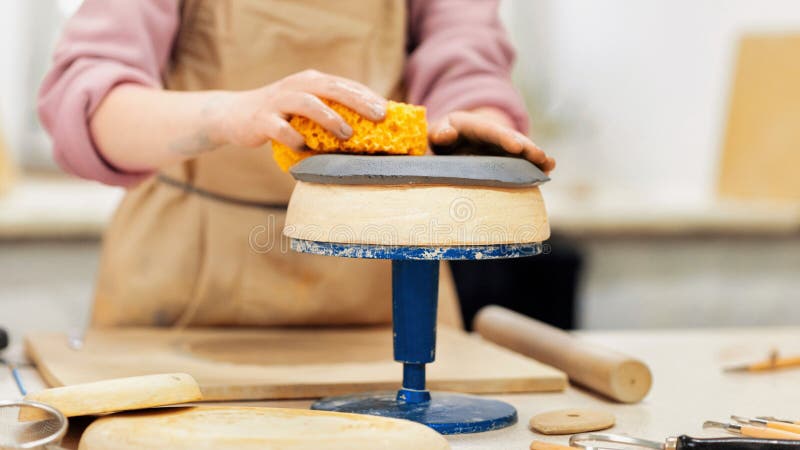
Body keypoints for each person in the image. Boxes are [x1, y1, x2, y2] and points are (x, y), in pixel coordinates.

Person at [38, 0, 555, 328]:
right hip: (184, 281)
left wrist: (475, 126)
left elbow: (467, 62)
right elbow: (87, 104)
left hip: (383, 273)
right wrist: (229, 114)